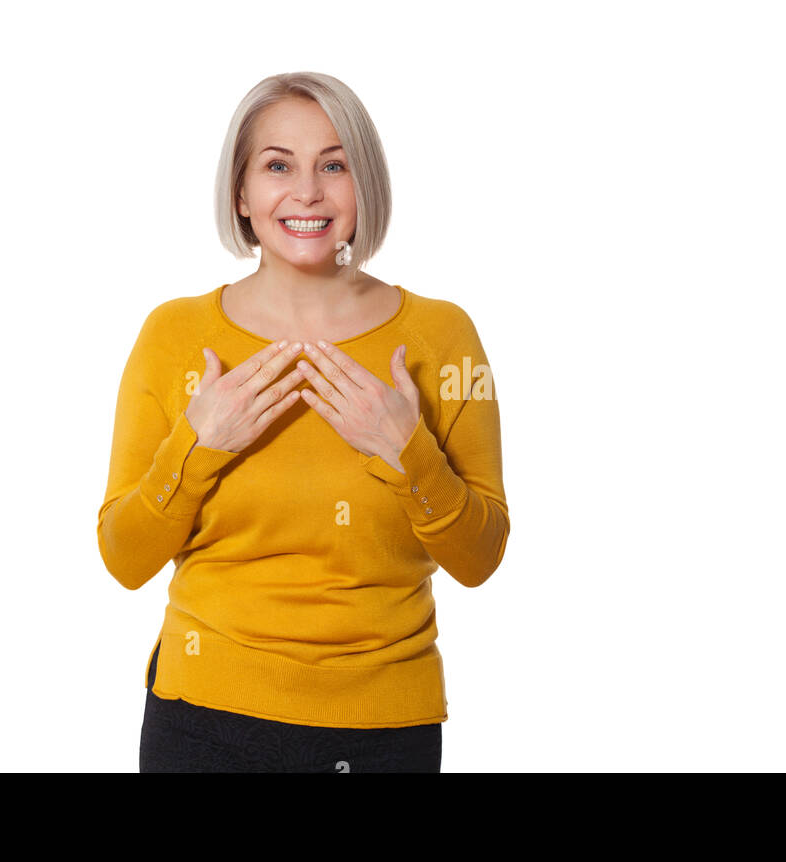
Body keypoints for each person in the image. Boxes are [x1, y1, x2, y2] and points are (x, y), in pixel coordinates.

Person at [96, 71, 510, 773]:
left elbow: (482, 557)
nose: (308, 192)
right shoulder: (173, 336)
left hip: (385, 728)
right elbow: (123, 557)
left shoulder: (443, 337)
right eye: (278, 165)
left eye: (334, 165)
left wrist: (409, 453)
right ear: (242, 193)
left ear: (364, 184)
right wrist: (198, 446)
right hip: (203, 722)